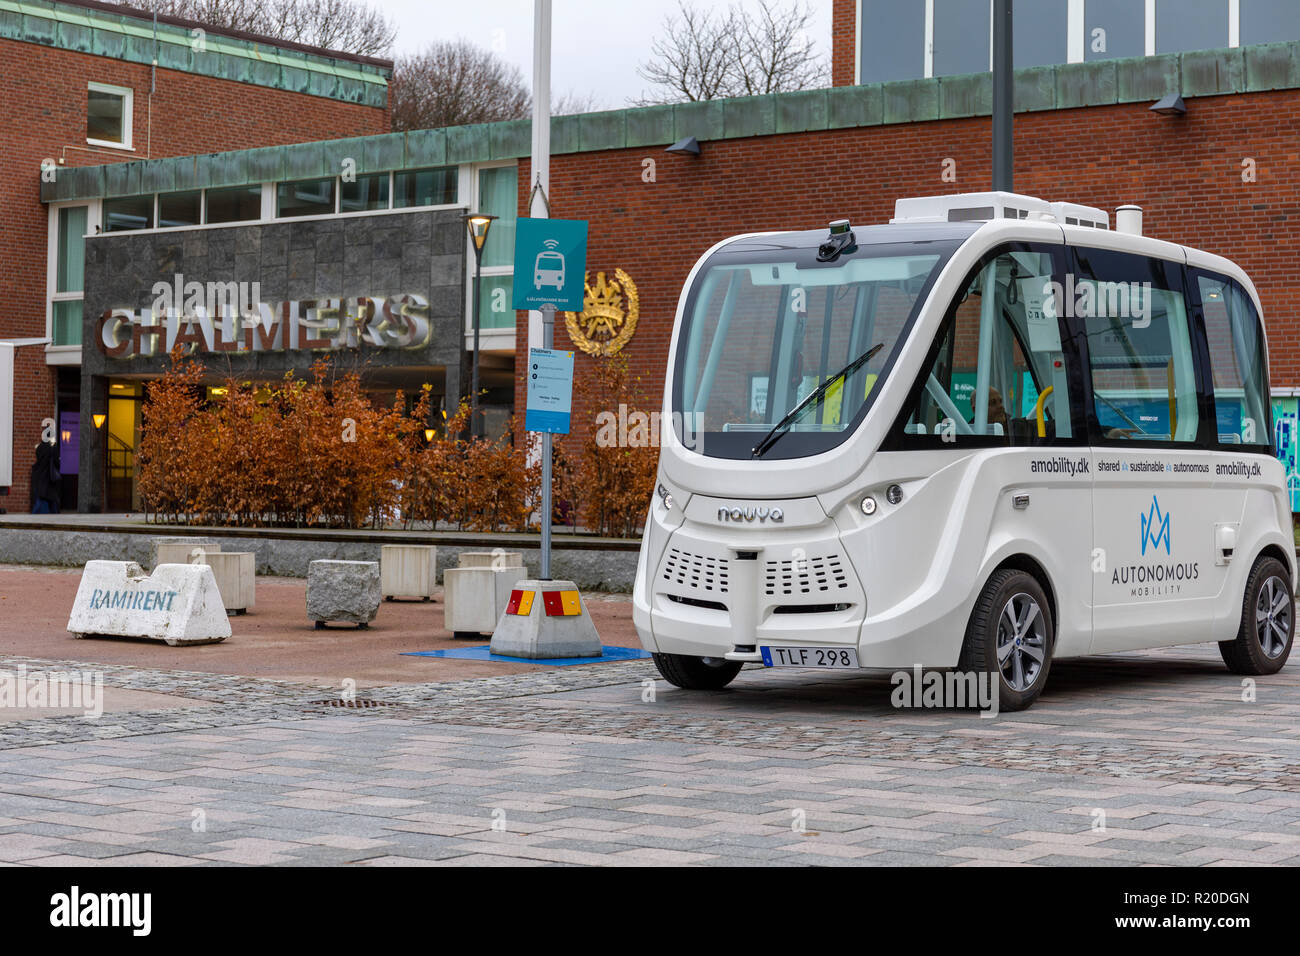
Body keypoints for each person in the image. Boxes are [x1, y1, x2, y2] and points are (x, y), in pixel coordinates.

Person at [30, 440, 61, 514]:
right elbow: (57, 463)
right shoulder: (52, 449)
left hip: (41, 481)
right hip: (50, 481)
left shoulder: (40, 447)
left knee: (41, 503)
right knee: (51, 504)